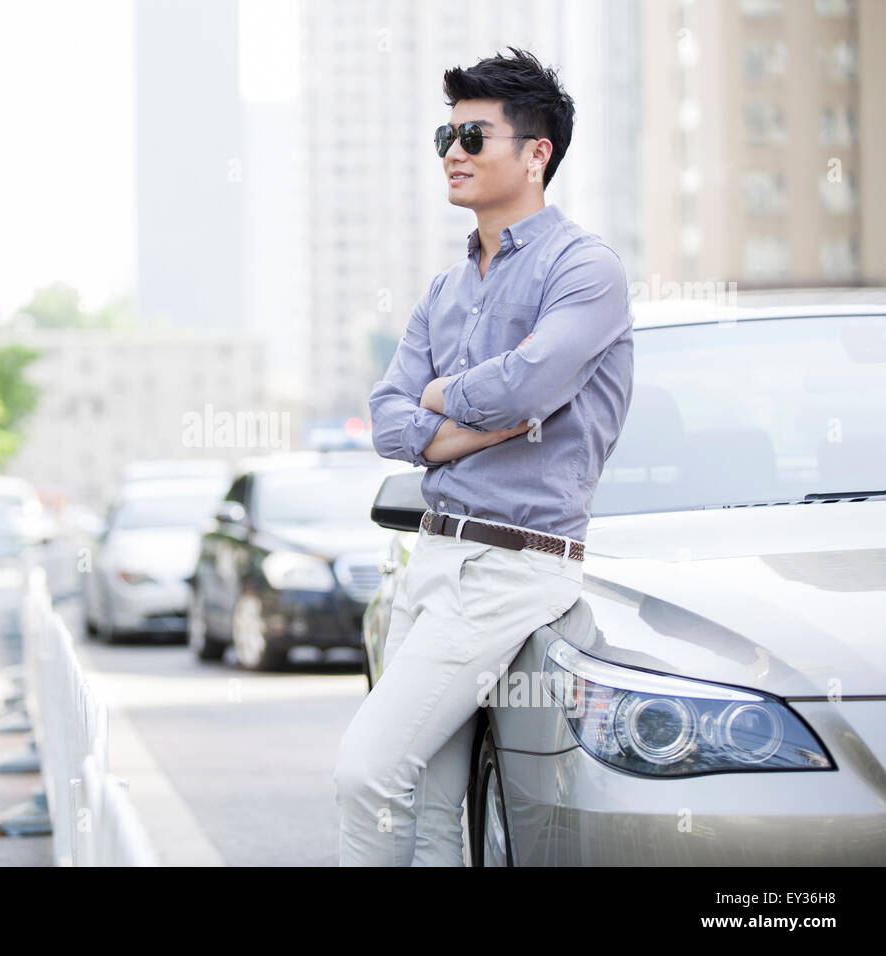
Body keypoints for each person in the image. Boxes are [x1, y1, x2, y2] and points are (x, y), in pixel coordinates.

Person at [334, 47, 635, 866]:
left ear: (537, 153)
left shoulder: (585, 269)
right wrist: (471, 417)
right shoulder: (444, 288)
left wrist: (444, 396)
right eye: (446, 135)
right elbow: (388, 422)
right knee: (431, 802)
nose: (453, 154)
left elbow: (524, 389)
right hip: (433, 556)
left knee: (366, 769)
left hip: (512, 565)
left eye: (474, 135)